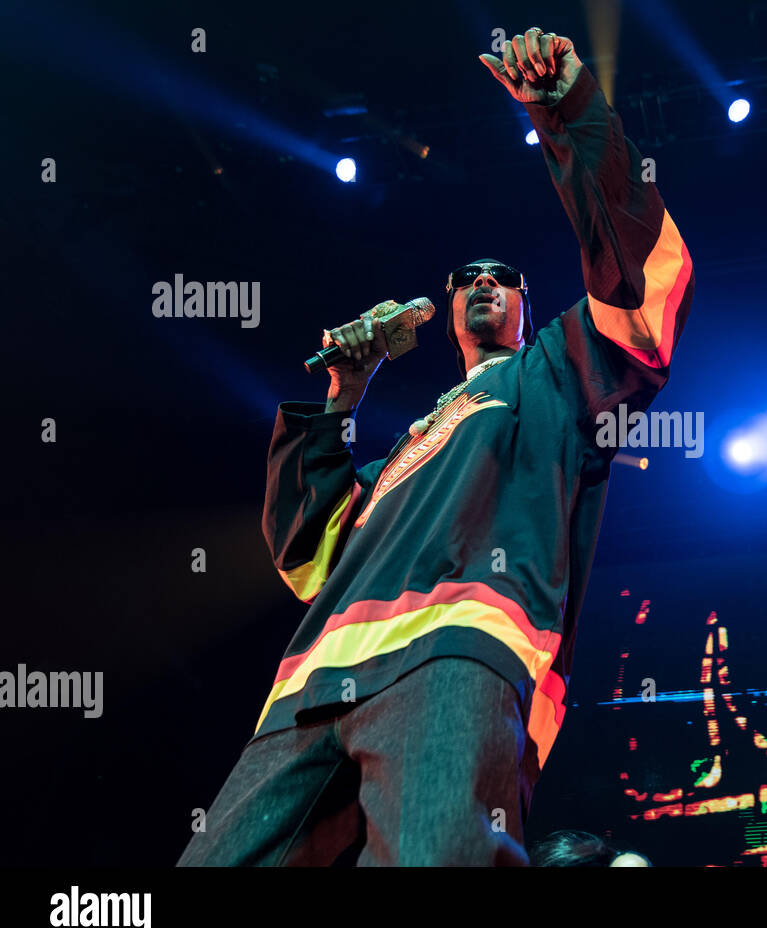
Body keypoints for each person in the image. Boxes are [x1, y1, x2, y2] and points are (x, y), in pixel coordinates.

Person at [178, 27, 694, 866]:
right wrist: (343, 399)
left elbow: (642, 286)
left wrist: (569, 119)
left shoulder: (554, 377)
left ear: (527, 306)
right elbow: (311, 561)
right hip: (309, 685)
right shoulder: (410, 445)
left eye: (503, 277)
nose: (483, 283)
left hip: (456, 656)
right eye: (467, 279)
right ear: (448, 310)